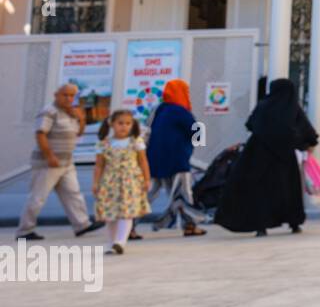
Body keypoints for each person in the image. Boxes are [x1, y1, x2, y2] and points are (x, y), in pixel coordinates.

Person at [215, 78, 318, 236]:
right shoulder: (291, 108)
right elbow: (306, 131)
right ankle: (294, 223)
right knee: (287, 190)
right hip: (284, 157)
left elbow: (250, 124)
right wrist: (304, 142)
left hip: (258, 155)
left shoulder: (264, 105)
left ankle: (260, 226)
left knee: (261, 191)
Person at [16, 83, 104, 240]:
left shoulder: (71, 112)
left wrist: (81, 118)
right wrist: (49, 156)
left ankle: (82, 225)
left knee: (73, 193)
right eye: (66, 95)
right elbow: (41, 134)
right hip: (47, 163)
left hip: (66, 162)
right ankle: (24, 231)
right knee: (38, 197)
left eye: (72, 96)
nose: (69, 99)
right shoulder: (49, 111)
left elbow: (79, 133)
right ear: (56, 95)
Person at [145, 79, 206, 237]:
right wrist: (195, 146)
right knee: (183, 193)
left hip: (154, 159)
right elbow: (197, 131)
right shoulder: (181, 111)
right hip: (177, 159)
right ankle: (190, 226)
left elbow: (148, 130)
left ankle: (128, 225)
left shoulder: (159, 110)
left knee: (149, 194)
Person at [92, 110, 151, 254]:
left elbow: (143, 161)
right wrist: (96, 182)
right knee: (110, 214)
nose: (124, 127)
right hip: (110, 182)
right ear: (112, 124)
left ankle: (120, 242)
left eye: (128, 123)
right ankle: (111, 243)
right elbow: (99, 165)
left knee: (127, 212)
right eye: (120, 123)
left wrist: (147, 178)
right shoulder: (104, 144)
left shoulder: (136, 142)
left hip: (130, 181)